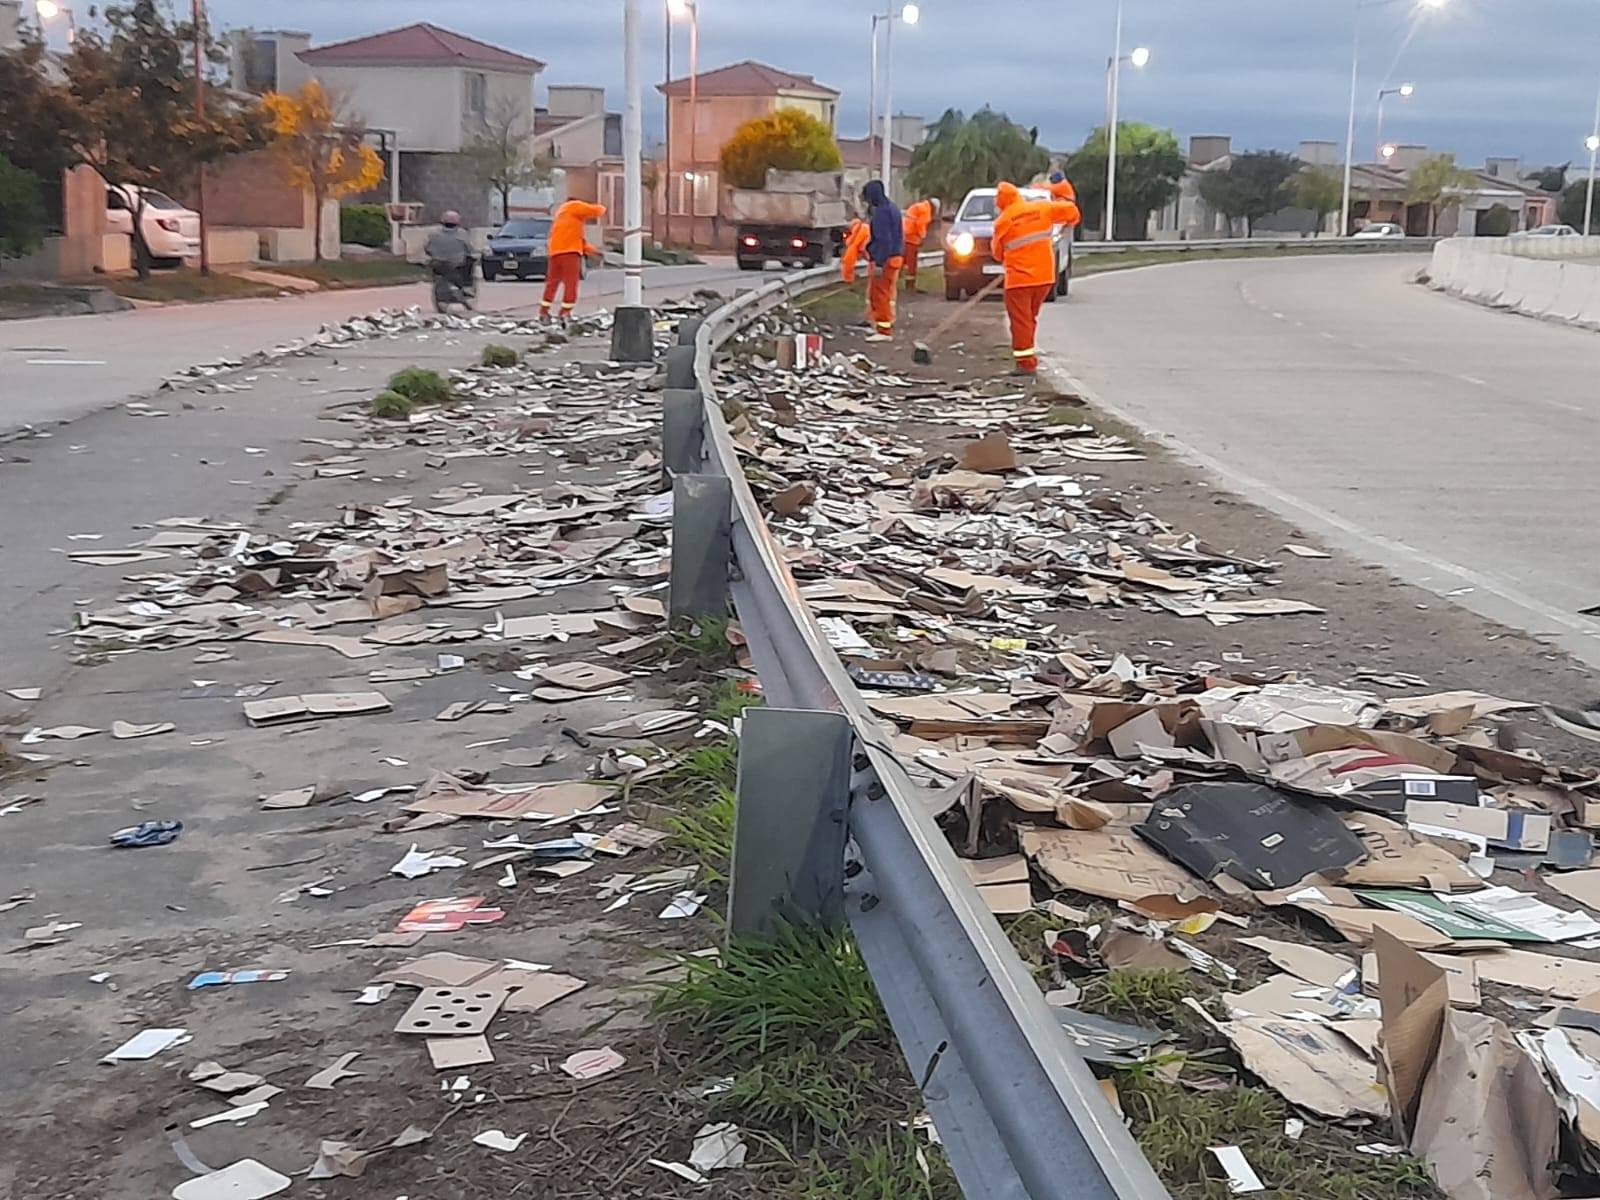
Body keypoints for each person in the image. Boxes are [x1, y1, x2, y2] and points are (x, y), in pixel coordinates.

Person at [990, 180, 1080, 375]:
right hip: (1044, 277)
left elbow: (997, 253)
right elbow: (1071, 210)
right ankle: (1027, 356)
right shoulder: (1041, 208)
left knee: (1021, 322)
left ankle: (1026, 364)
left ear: (1001, 201)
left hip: (1019, 280)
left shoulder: (1003, 221)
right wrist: (1069, 223)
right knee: (1029, 319)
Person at [540, 197, 606, 326]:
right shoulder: (573, 206)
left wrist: (595, 252)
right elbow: (597, 210)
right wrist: (605, 207)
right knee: (571, 284)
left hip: (555, 252)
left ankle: (544, 312)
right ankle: (565, 313)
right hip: (569, 253)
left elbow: (580, 242)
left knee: (552, 283)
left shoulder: (563, 217)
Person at [861, 179, 903, 342]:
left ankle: (884, 331)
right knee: (883, 293)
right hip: (893, 258)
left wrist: (878, 263)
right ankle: (882, 326)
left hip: (885, 259)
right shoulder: (891, 208)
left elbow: (883, 240)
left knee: (880, 295)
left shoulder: (881, 213)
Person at [424, 210, 474, 291]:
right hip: (456, 263)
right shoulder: (462, 233)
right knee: (469, 262)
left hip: (437, 263)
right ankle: (467, 286)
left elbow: (426, 247)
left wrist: (431, 254)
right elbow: (469, 248)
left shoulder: (434, 234)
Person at [901, 196, 939, 291]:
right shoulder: (926, 210)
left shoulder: (918, 206)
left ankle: (895, 281)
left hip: (903, 235)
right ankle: (910, 285)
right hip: (911, 237)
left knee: (902, 260)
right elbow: (920, 224)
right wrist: (923, 237)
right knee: (911, 262)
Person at [840, 216, 871, 285]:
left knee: (848, 260)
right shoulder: (862, 228)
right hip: (866, 244)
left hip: (863, 245)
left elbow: (854, 244)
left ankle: (848, 279)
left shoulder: (859, 231)